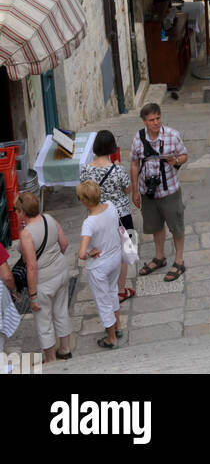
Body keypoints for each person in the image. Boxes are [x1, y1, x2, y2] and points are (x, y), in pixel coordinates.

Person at [130, 102, 188, 282]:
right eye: (151, 120)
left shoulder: (172, 135)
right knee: (155, 226)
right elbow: (134, 163)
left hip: (169, 189)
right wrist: (134, 191)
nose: (156, 122)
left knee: (176, 225)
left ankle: (179, 260)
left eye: (158, 118)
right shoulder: (138, 139)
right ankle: (159, 256)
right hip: (148, 191)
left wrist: (176, 160)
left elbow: (184, 155)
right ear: (144, 121)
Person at [14, 191, 72, 362]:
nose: (16, 214)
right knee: (61, 311)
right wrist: (54, 261)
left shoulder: (27, 234)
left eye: (17, 210)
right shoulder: (49, 218)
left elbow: (31, 266)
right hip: (61, 271)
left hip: (43, 281)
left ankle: (50, 358)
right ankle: (65, 348)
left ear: (22, 212)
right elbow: (64, 243)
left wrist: (32, 296)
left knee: (43, 320)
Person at [80, 129, 135, 301]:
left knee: (102, 250)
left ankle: (105, 288)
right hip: (120, 214)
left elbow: (82, 192)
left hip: (97, 216)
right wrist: (117, 165)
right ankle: (120, 290)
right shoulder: (117, 169)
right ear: (112, 148)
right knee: (123, 254)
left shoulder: (86, 170)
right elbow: (127, 189)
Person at [76, 179, 123, 350]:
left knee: (103, 301)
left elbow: (81, 254)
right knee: (113, 292)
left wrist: (89, 253)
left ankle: (111, 338)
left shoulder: (89, 223)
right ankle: (117, 326)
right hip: (115, 257)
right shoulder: (111, 206)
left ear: (84, 201)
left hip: (99, 265)